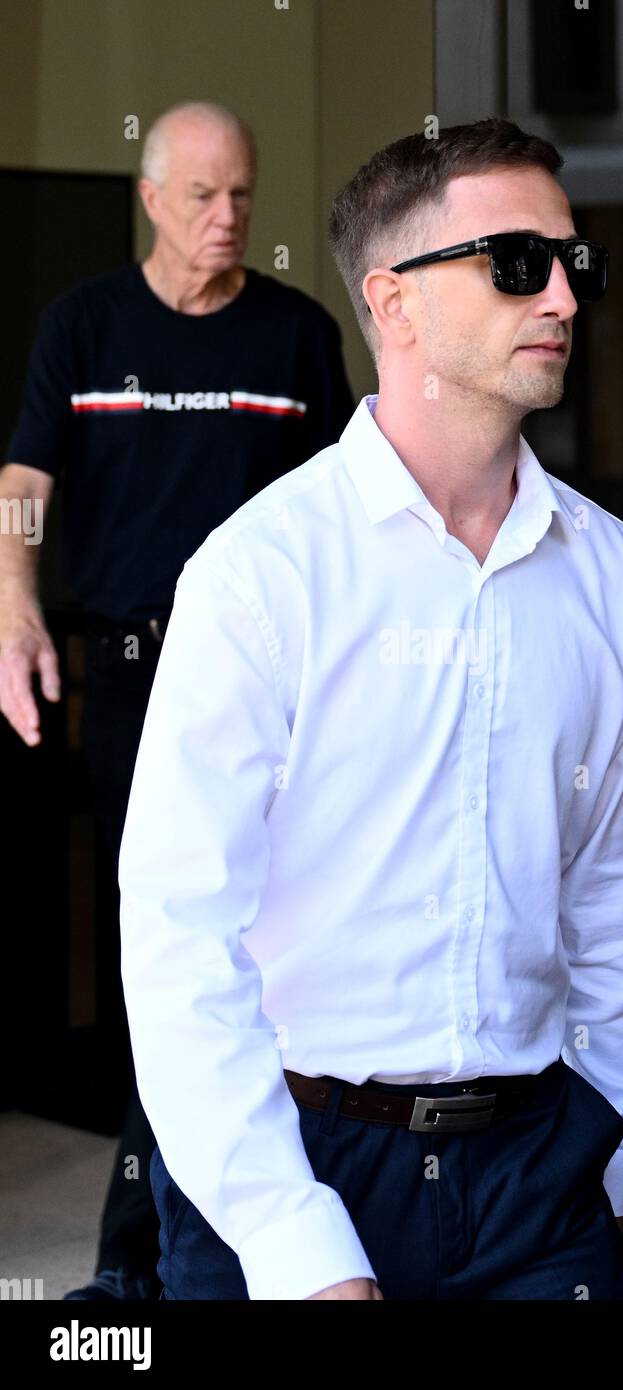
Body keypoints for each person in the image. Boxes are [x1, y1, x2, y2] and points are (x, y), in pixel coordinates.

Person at [118, 116, 623, 1301]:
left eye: (576, 261)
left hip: (535, 1172)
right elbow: (175, 927)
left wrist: (606, 1144)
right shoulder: (260, 574)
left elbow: (614, 886)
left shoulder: (609, 570)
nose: (564, 292)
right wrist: (289, 1239)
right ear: (395, 303)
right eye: (517, 262)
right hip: (294, 1155)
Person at [0, 99, 354, 1301]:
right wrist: (13, 606)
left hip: (282, 685)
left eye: (244, 194)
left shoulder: (297, 335)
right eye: (202, 195)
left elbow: (347, 511)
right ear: (151, 198)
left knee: (266, 958)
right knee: (174, 962)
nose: (227, 217)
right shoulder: (84, 326)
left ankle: (199, 1247)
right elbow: (23, 481)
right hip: (138, 674)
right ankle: (143, 1259)